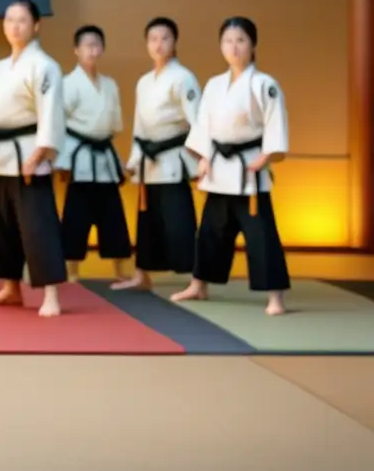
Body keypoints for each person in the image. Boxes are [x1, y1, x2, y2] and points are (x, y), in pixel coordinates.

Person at [172, 17, 289, 315]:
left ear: (252, 45)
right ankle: (199, 284)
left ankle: (275, 296)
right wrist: (203, 158)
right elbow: (202, 126)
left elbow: (275, 126)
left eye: (241, 40)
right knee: (211, 231)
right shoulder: (213, 84)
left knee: (261, 236)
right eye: (228, 40)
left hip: (249, 170)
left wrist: (265, 157)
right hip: (219, 169)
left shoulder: (265, 84)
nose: (234, 47)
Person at [0, 0, 66, 317]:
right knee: (4, 225)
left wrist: (40, 152)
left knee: (38, 226)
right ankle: (10, 287)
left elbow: (50, 112)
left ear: (36, 26)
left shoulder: (45, 66)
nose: (14, 26)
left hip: (30, 154)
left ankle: (51, 294)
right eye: (9, 19)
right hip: (1, 154)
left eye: (22, 20)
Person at [118, 17, 201, 291]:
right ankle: (143, 275)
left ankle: (196, 280)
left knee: (180, 220)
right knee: (147, 221)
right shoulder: (143, 82)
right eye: (153, 39)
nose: (158, 44)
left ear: (174, 42)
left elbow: (197, 123)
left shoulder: (184, 77)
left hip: (173, 157)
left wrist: (203, 160)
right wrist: (133, 162)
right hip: (148, 161)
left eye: (165, 38)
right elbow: (139, 128)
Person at [56, 25, 132, 283]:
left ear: (102, 49)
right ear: (76, 50)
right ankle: (72, 271)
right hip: (79, 159)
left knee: (114, 217)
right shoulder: (67, 83)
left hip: (104, 157)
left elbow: (115, 125)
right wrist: (63, 162)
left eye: (96, 44)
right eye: (86, 45)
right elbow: (60, 126)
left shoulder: (110, 84)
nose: (92, 49)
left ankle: (120, 270)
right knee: (76, 218)